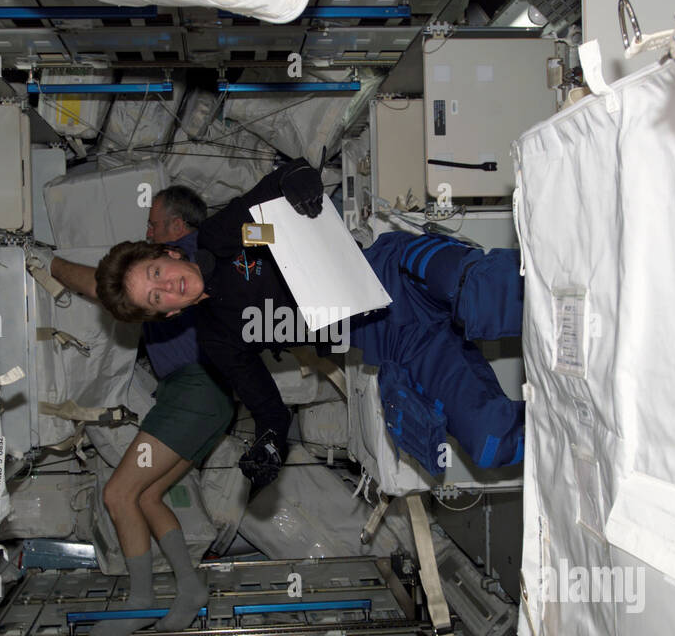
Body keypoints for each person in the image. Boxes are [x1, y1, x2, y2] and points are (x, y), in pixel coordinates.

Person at [94, 158, 525, 493]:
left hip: (394, 272)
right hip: (398, 341)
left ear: (167, 255)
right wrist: (268, 445)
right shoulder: (217, 340)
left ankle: (584, 299)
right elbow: (271, 412)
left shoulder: (219, 238)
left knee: (481, 297)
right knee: (489, 443)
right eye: (157, 297)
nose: (168, 286)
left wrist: (299, 180)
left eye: (155, 274)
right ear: (167, 314)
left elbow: (283, 180)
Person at [41, 186, 234, 636]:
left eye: (153, 223)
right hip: (200, 398)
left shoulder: (180, 261)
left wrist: (48, 262)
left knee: (118, 494)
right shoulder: (181, 264)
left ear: (176, 229)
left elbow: (97, 287)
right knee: (145, 496)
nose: (147, 231)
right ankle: (189, 589)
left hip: (195, 394)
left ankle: (141, 601)